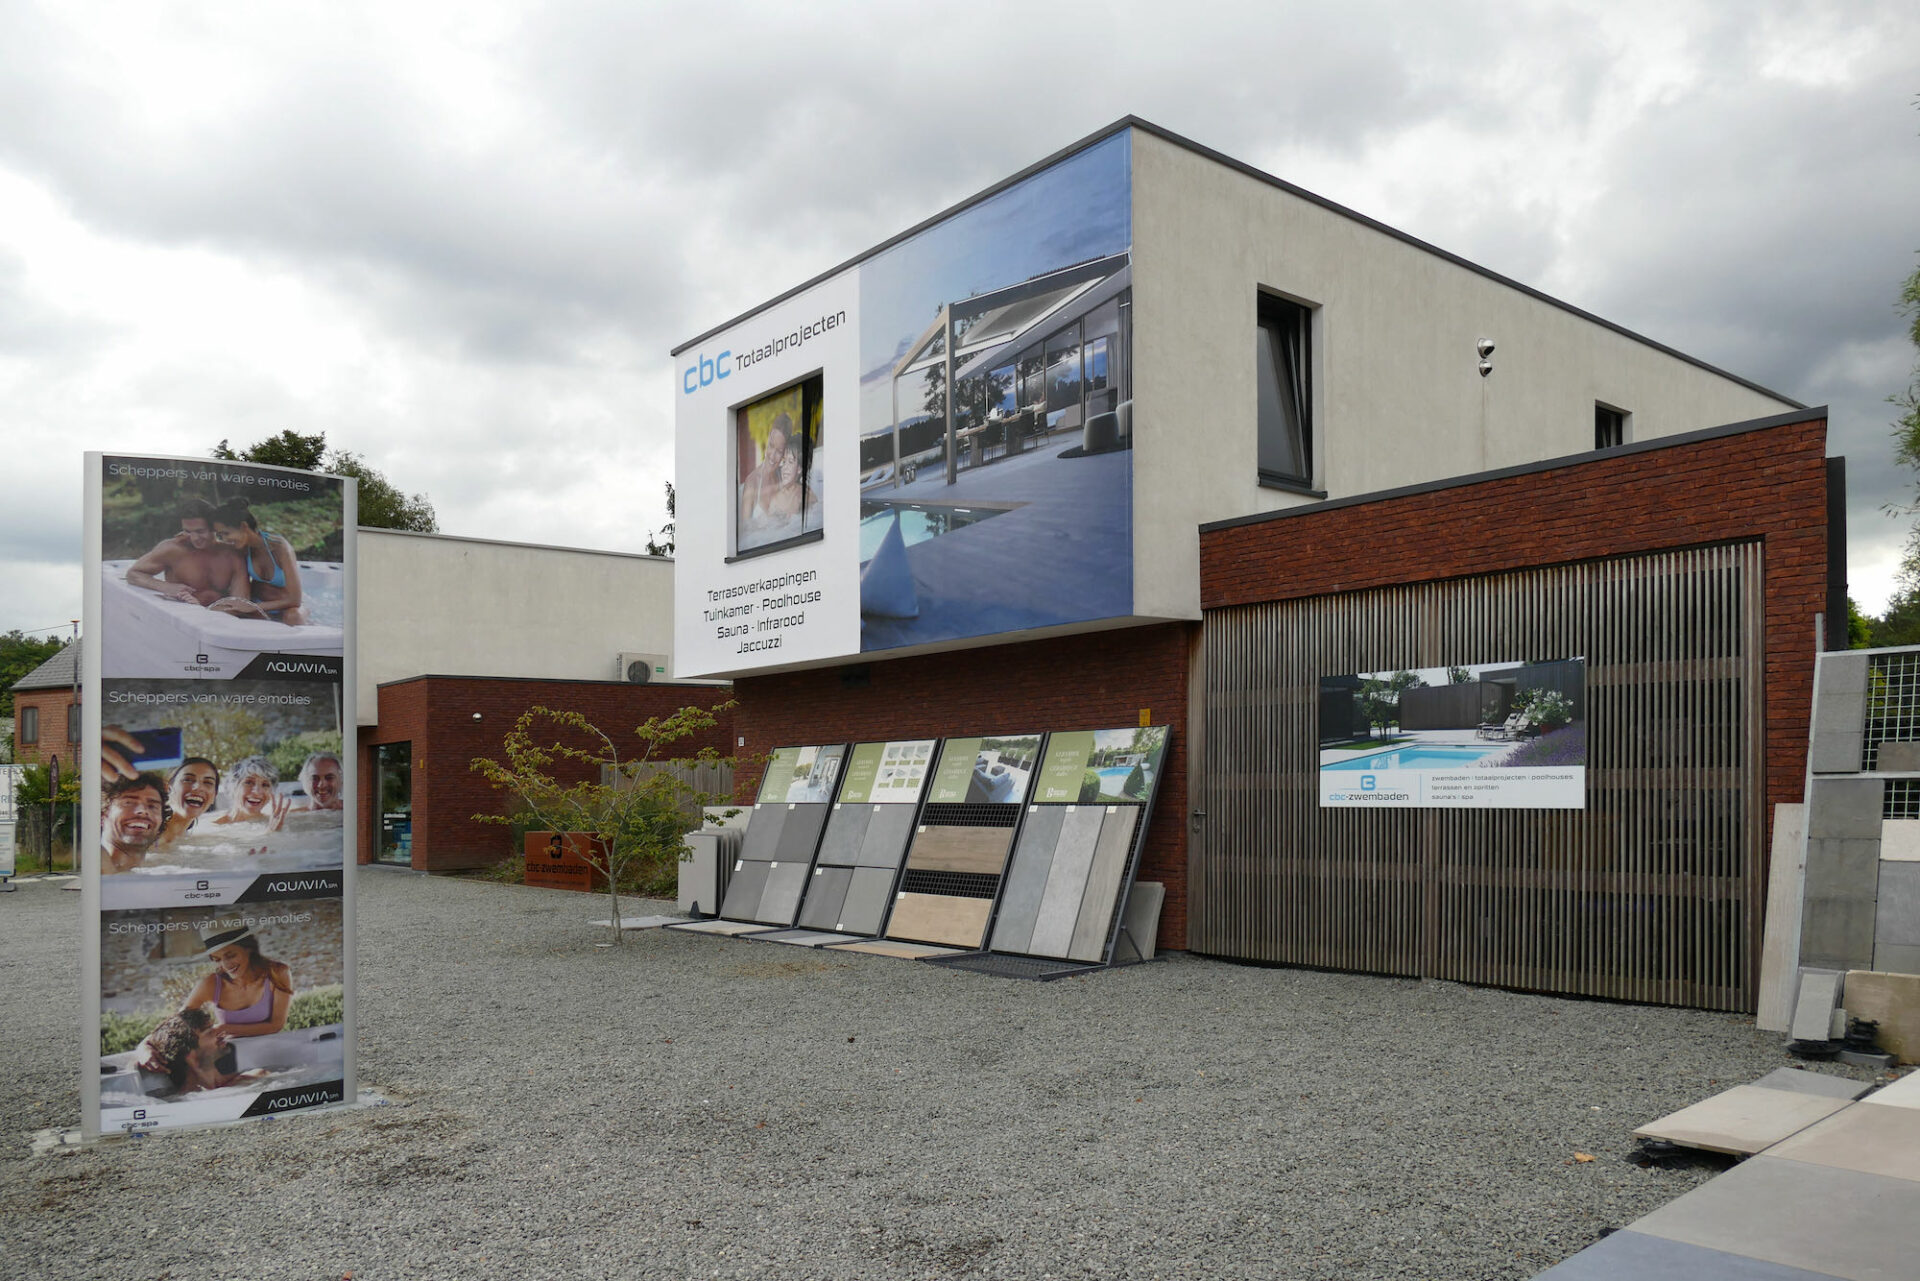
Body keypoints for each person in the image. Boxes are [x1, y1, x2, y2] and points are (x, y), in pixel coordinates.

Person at [123, 498, 243, 607]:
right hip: (183, 618)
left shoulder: (232, 555)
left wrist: (209, 609)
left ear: (214, 527)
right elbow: (133, 574)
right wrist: (166, 587)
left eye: (200, 531)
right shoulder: (173, 549)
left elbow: (241, 601)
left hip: (220, 619)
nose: (194, 538)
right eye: (187, 531)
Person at [207, 498, 309, 626]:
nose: (225, 539)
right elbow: (211, 547)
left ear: (244, 526)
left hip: (287, 606)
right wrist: (185, 538)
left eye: (226, 533)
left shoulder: (280, 548)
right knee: (218, 612)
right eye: (221, 536)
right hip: (257, 604)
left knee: (294, 617)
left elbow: (295, 599)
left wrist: (254, 607)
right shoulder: (241, 547)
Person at [180, 927, 294, 1038]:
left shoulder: (278, 973)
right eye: (217, 959)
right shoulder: (211, 984)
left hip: (270, 1050)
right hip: (228, 1052)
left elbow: (276, 1026)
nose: (225, 965)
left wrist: (225, 1028)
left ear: (249, 948)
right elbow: (181, 1019)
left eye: (230, 955)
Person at [135, 1007, 263, 1094]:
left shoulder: (255, 1077)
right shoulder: (185, 1104)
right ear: (189, 1053)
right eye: (209, 1032)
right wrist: (144, 1049)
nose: (221, 1033)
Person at [100, 773, 167, 874]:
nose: (143, 811)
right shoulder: (94, 860)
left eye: (152, 806)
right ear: (102, 814)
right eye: (129, 803)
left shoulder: (167, 867)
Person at [212, 755, 290, 833]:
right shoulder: (215, 829)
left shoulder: (278, 823)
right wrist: (270, 833)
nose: (257, 792)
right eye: (249, 782)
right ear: (233, 787)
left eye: (265, 785)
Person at [155, 758, 220, 849]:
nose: (198, 787)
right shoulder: (146, 840)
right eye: (188, 780)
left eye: (208, 782)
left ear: (214, 796)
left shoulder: (197, 843)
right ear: (167, 788)